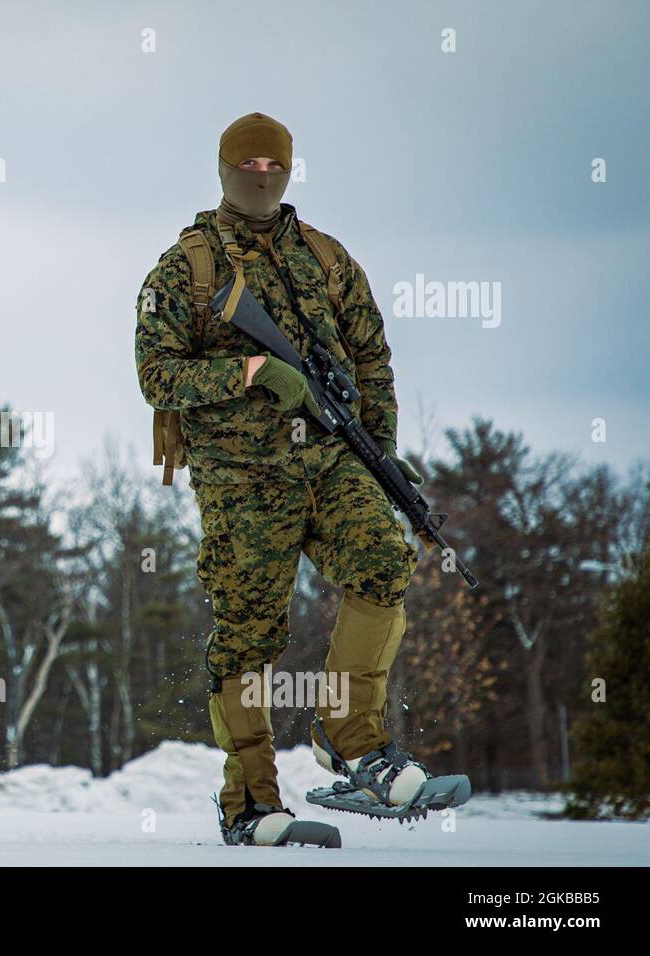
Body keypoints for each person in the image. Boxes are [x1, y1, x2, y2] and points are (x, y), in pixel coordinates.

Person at [136, 112, 428, 846]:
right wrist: (253, 371)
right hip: (242, 477)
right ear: (225, 170)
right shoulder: (188, 268)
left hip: (333, 457)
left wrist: (379, 449)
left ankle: (351, 736)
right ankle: (252, 805)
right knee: (250, 635)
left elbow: (371, 361)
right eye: (249, 167)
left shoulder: (327, 258)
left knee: (384, 558)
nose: (263, 178)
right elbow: (156, 375)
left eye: (276, 167)